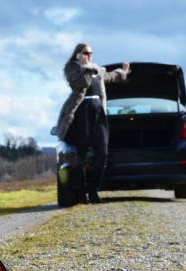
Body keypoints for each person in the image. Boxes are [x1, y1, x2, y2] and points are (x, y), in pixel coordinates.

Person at [55, 43, 130, 203]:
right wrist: (85, 67)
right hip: (81, 112)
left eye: (90, 53)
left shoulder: (96, 69)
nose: (89, 56)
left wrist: (123, 72)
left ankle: (93, 190)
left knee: (102, 152)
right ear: (78, 54)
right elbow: (81, 83)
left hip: (98, 112)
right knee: (80, 155)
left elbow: (109, 76)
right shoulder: (71, 68)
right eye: (85, 53)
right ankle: (81, 193)